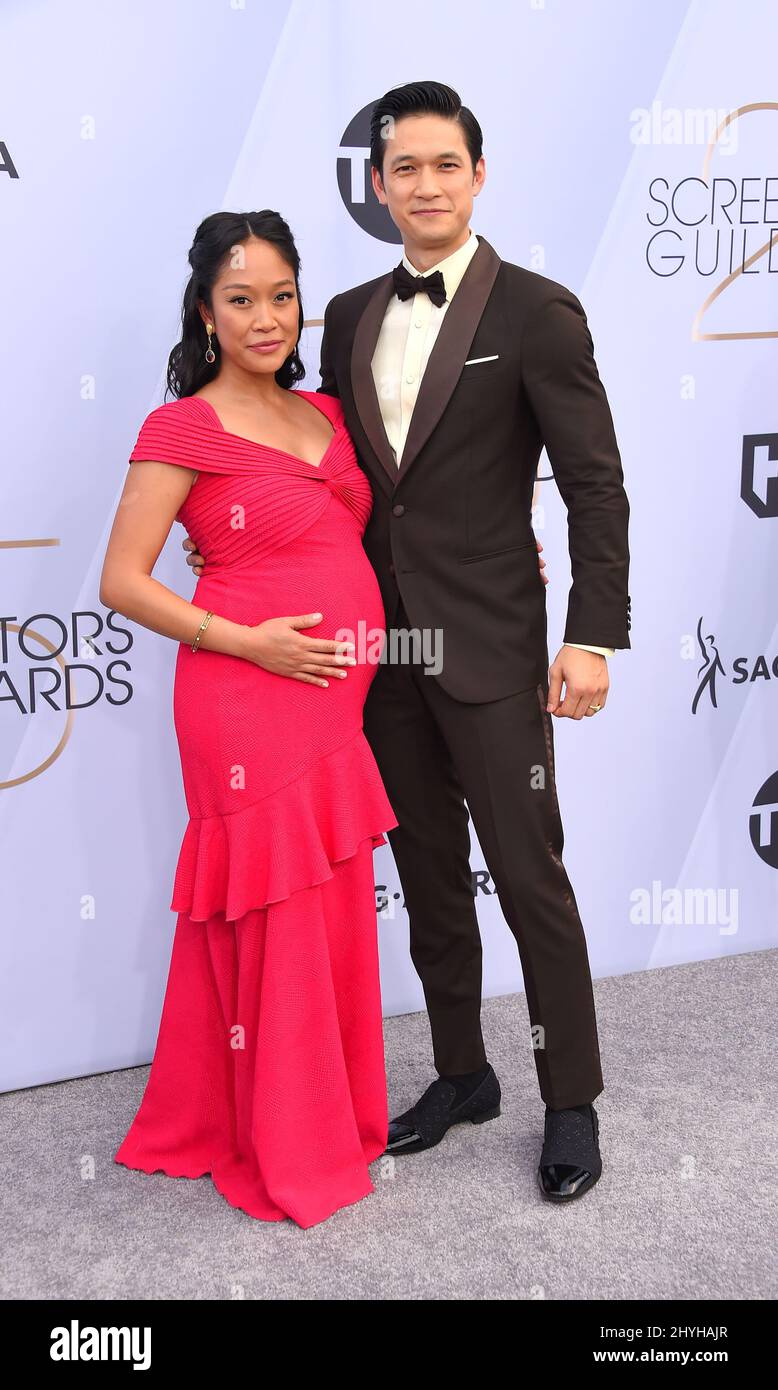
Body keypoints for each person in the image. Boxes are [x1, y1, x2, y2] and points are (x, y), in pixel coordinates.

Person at [184, 80, 631, 1203]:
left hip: (489, 644)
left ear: (478, 177)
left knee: (529, 876)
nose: (424, 185)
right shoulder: (343, 314)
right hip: (380, 657)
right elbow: (323, 469)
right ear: (375, 187)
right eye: (404, 169)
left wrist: (591, 636)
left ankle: (568, 1098)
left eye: (445, 165)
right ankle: (462, 1073)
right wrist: (223, 539)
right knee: (428, 873)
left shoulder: (538, 310)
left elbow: (592, 486)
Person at [100, 210, 400, 1228]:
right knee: (272, 904)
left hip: (334, 702)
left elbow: (357, 530)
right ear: (206, 311)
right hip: (244, 697)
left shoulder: (324, 409)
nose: (266, 317)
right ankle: (279, 1132)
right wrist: (246, 639)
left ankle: (320, 1112)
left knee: (321, 901)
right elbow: (122, 582)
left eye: (281, 294)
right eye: (242, 300)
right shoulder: (178, 425)